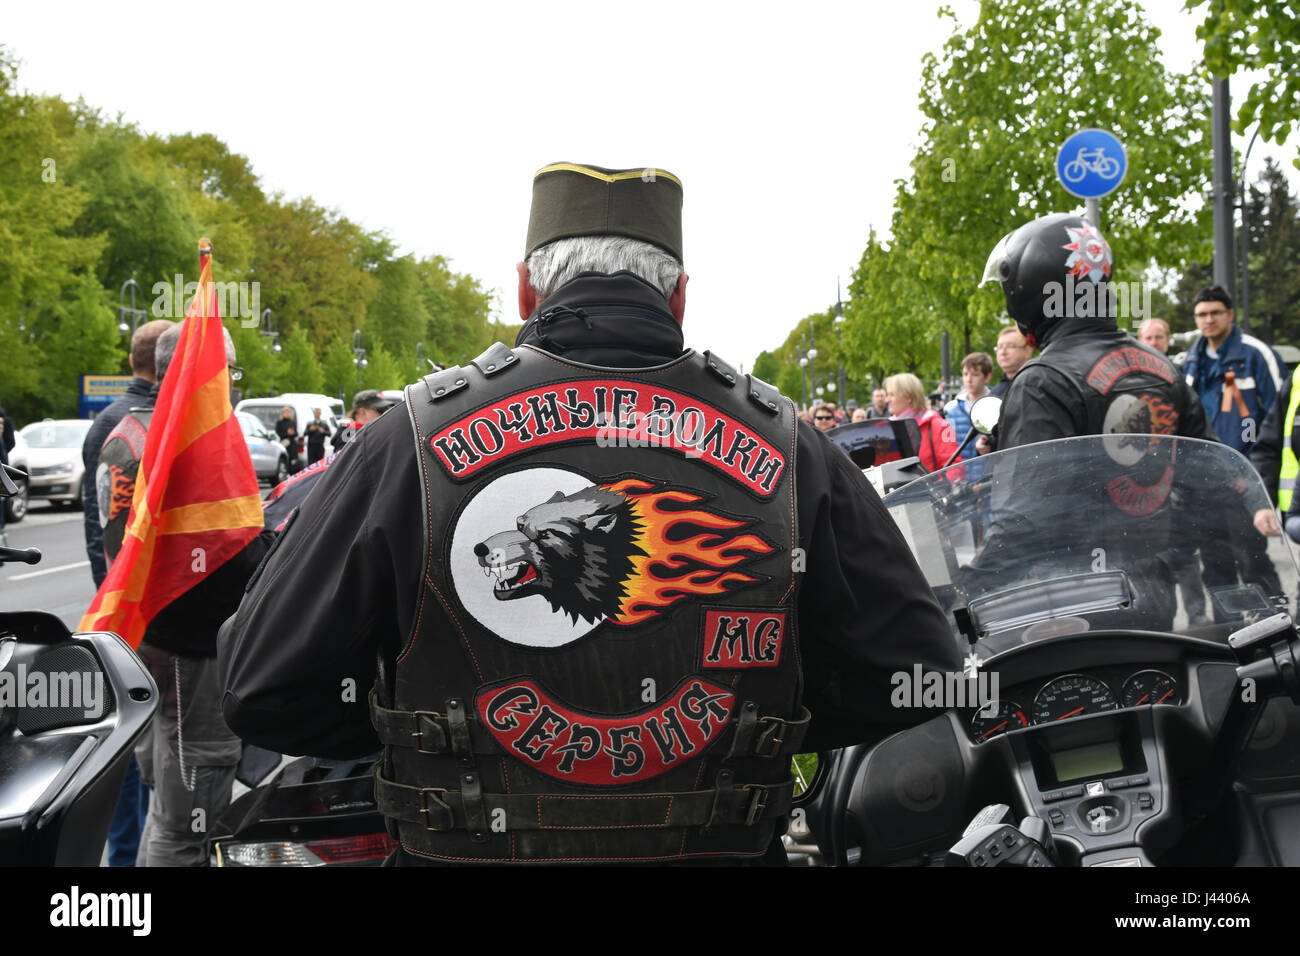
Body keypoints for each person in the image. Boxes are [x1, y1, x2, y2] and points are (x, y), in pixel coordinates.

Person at [220, 162, 961, 865]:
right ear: (678, 296)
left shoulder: (407, 440)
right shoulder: (792, 444)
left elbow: (261, 687)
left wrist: (419, 730)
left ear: (524, 291)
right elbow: (920, 668)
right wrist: (760, 726)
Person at [106, 322, 273, 866]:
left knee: (165, 799)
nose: (230, 381)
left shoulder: (127, 430)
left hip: (144, 636)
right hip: (192, 650)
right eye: (226, 369)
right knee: (189, 818)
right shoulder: (194, 439)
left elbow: (114, 547)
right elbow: (222, 555)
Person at [81, 321, 174, 588]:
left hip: (117, 580)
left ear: (132, 360)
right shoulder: (159, 419)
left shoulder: (104, 421)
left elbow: (96, 515)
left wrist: (105, 585)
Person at [885, 372, 958, 472]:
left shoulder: (937, 425)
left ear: (908, 397)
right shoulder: (888, 429)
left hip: (931, 487)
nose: (887, 400)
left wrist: (939, 486)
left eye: (891, 395)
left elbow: (954, 467)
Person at [943, 352, 992, 462]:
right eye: (965, 374)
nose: (969, 379)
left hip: (988, 474)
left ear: (987, 377)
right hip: (959, 474)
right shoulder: (950, 408)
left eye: (975, 374)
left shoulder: (995, 406)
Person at [275, 406, 300, 473]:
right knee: (285, 460)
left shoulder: (292, 422)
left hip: (292, 445)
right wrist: (287, 433)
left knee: (292, 462)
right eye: (285, 412)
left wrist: (292, 433)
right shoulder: (279, 422)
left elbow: (296, 433)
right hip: (284, 443)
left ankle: (291, 474)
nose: (287, 414)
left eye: (288, 412)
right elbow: (278, 433)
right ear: (282, 413)